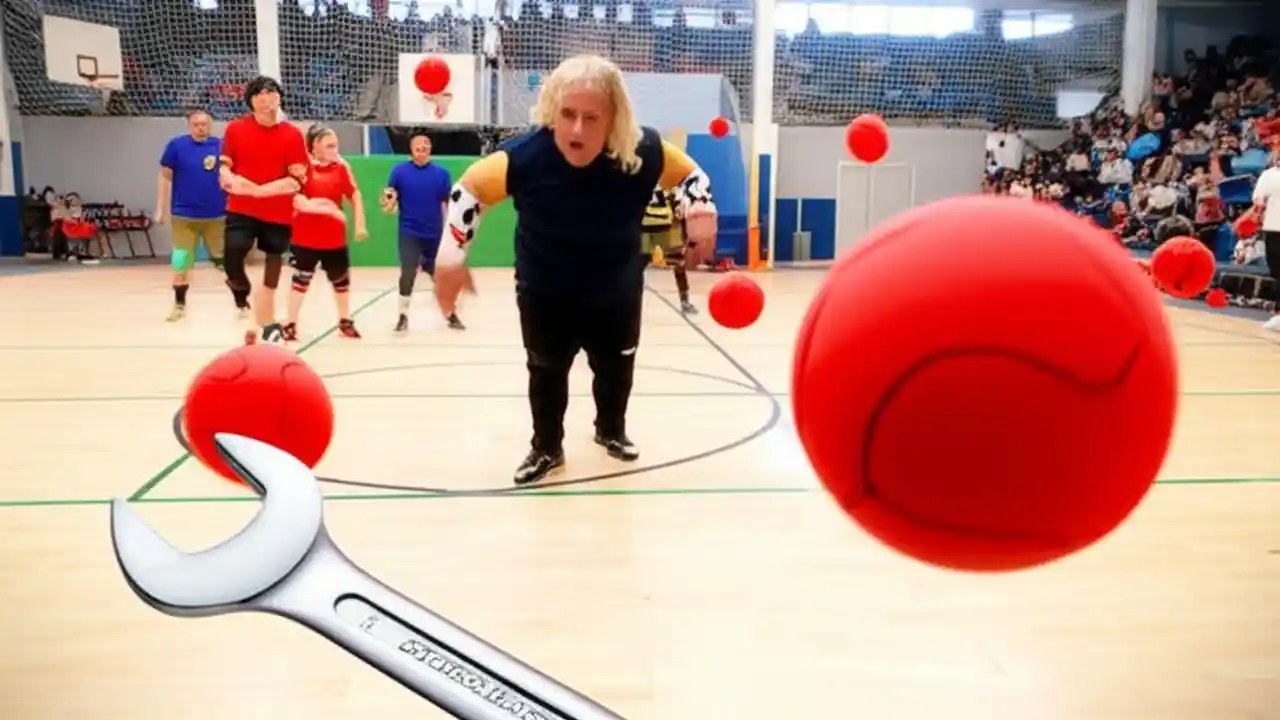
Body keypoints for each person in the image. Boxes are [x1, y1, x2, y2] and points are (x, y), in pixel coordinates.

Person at [432, 54, 718, 486]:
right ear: (552, 109)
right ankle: (546, 448)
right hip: (545, 292)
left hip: (617, 290)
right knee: (545, 372)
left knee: (616, 369)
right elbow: (468, 192)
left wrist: (701, 205)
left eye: (591, 117)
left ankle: (611, 430)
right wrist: (450, 257)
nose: (577, 129)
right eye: (567, 115)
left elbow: (692, 175)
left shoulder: (643, 150)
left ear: (614, 116)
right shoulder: (524, 157)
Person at [229, 124, 369, 341]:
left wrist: (360, 224)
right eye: (329, 146)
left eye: (336, 145)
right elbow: (298, 201)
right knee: (300, 281)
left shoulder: (342, 167)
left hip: (334, 239)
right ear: (315, 147)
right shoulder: (302, 169)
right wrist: (327, 208)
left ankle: (344, 320)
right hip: (306, 238)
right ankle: (291, 323)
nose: (335, 150)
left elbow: (355, 195)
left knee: (341, 281)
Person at [217, 75, 309, 343]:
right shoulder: (235, 129)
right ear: (251, 101)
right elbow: (226, 166)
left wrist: (260, 190)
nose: (266, 97)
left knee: (272, 266)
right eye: (259, 93)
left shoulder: (292, 135)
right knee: (232, 256)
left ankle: (268, 323)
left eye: (271, 92)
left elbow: (297, 180)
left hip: (277, 212)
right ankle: (240, 290)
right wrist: (227, 177)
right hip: (242, 208)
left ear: (279, 97)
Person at [381, 132, 458, 332]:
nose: (422, 151)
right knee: (408, 272)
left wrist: (451, 229)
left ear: (430, 149)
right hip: (409, 232)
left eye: (425, 148)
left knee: (439, 275)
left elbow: (448, 203)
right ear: (411, 150)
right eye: (418, 148)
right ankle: (402, 316)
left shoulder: (442, 174)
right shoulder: (399, 172)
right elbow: (389, 197)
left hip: (434, 234)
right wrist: (388, 202)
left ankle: (450, 313)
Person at [155, 109, 228, 322]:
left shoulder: (221, 146)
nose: (200, 127)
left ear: (211, 125)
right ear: (189, 125)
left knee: (224, 262)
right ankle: (179, 305)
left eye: (204, 123)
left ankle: (242, 302)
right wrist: (161, 207)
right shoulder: (176, 146)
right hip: (183, 216)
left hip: (216, 216)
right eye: (196, 124)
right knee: (181, 262)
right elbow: (164, 177)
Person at [641, 184, 698, 314]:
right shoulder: (669, 184)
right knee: (678, 266)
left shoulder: (669, 184)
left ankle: (685, 300)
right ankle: (685, 301)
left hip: (655, 227)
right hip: (654, 227)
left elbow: (678, 211)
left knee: (678, 265)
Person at [1251, 155, 1280, 333]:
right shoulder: (1269, 175)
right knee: (1278, 273)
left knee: (1278, 272)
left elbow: (1258, 201)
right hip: (1274, 228)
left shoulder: (1269, 175)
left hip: (1274, 229)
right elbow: (1258, 201)